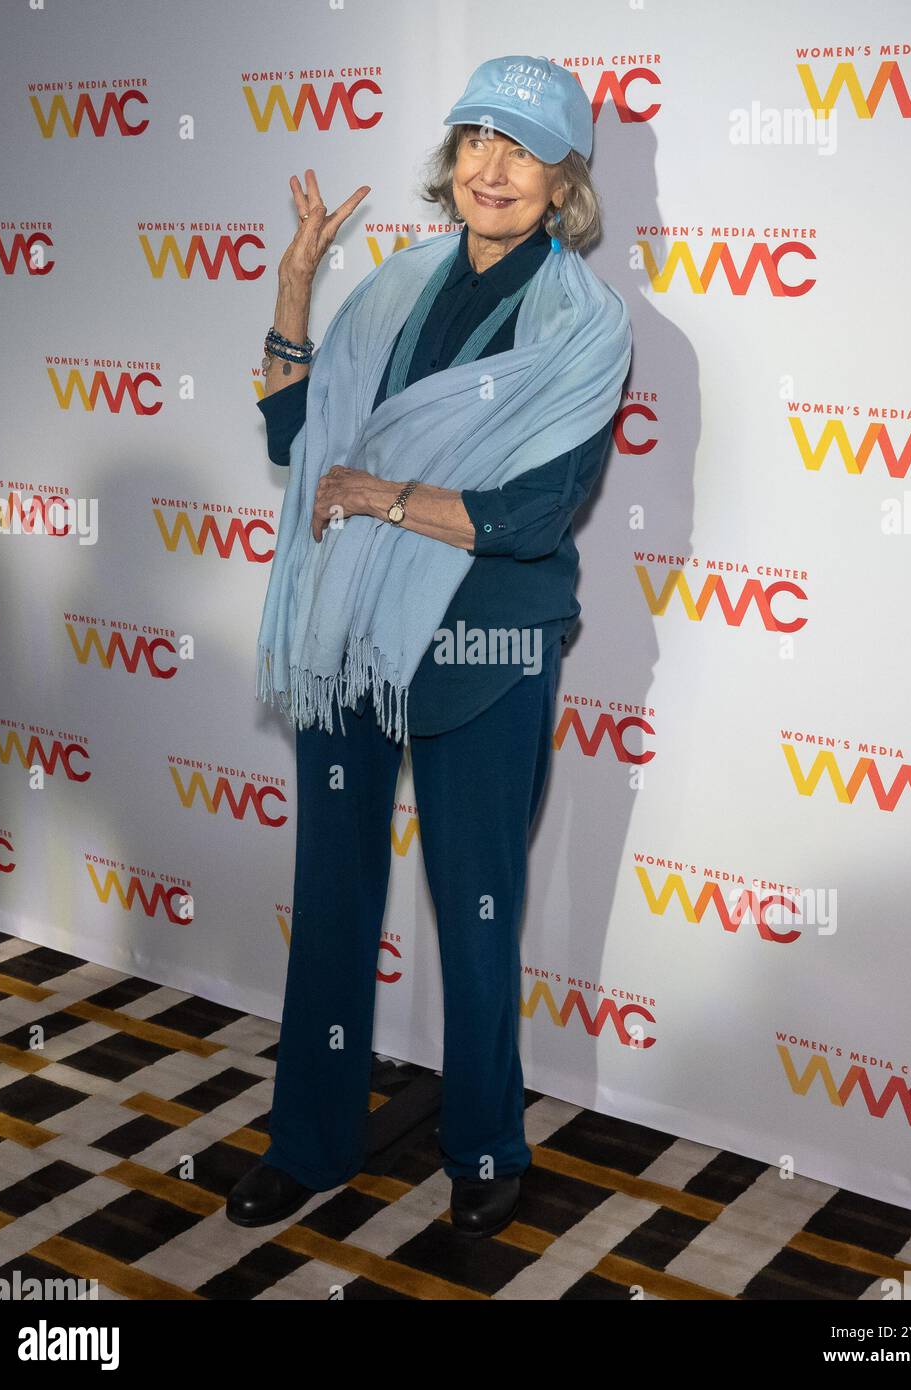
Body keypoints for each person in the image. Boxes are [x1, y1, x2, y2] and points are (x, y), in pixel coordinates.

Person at [227, 54, 631, 1238]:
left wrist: (380, 495)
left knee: (478, 907)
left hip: (483, 644)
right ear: (449, 160)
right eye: (473, 141)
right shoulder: (393, 286)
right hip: (351, 630)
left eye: (521, 149)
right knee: (331, 897)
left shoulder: (584, 324)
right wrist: (295, 287)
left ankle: (486, 1141)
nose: (490, 167)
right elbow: (295, 440)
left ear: (562, 184)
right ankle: (307, 1142)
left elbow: (531, 514)